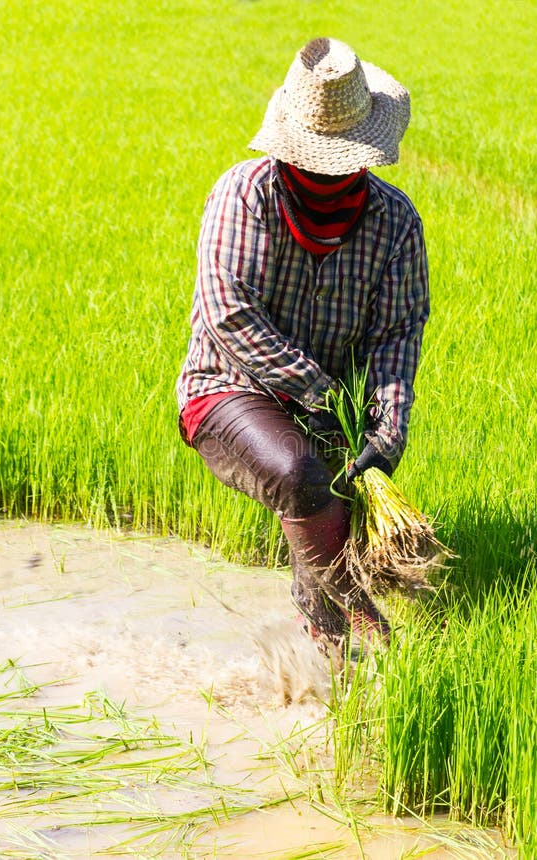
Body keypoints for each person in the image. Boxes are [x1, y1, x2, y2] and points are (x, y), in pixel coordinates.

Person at [176, 37, 429, 656]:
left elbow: (397, 333)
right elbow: (228, 312)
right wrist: (314, 388)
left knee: (324, 498)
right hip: (230, 388)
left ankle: (322, 671)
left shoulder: (395, 222)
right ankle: (369, 623)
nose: (329, 170)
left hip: (332, 409)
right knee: (298, 471)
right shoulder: (245, 195)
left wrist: (385, 434)